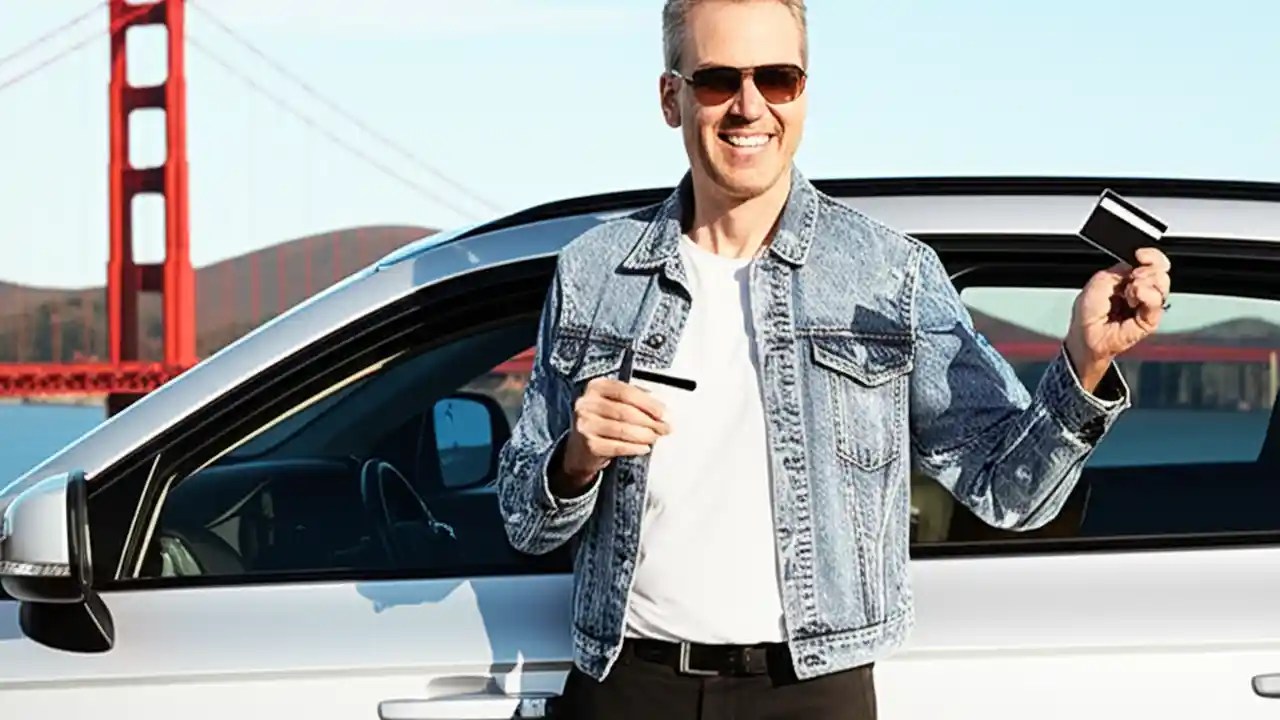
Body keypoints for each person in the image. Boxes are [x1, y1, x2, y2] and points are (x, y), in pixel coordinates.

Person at [496, 0, 1172, 717]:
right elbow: (523, 521)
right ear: (673, 97)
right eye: (719, 79)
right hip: (628, 686)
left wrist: (1084, 360)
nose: (749, 106)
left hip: (812, 693)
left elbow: (1011, 493)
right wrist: (573, 460)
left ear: (805, 92)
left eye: (778, 78)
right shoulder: (595, 272)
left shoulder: (890, 275)